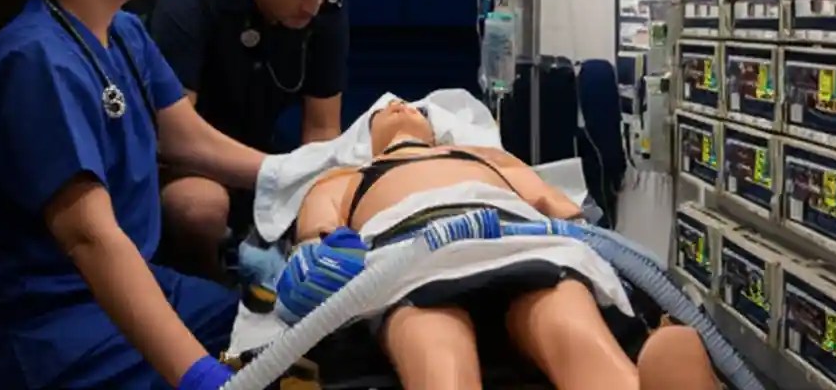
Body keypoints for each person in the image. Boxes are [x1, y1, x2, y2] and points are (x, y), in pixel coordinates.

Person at [0, 0, 270, 390]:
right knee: (258, 356)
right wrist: (197, 375)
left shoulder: (124, 32)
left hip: (131, 283)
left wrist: (310, 172)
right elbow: (91, 240)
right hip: (50, 327)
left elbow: (189, 140)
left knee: (279, 323)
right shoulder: (34, 62)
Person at [272, 100, 720, 390]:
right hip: (411, 257)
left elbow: (559, 208)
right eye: (384, 110)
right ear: (360, 142)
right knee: (438, 355)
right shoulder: (344, 176)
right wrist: (318, 265)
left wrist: (582, 239)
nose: (398, 104)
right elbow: (316, 242)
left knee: (574, 332)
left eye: (415, 107)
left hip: (523, 242)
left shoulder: (490, 158)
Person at [146, 0, 348, 279]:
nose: (313, 8)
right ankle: (211, 297)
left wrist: (316, 198)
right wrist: (279, 175)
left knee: (330, 211)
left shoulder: (326, 8)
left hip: (262, 158)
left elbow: (322, 129)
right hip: (187, 161)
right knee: (198, 209)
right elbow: (175, 139)